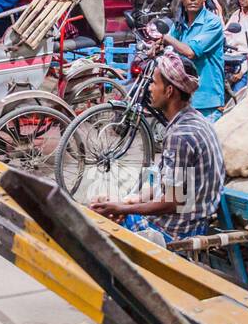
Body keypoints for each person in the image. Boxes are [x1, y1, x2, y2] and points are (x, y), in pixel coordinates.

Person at [89, 51, 224, 246]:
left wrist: (122, 208)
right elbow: (170, 183)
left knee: (97, 223)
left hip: (176, 230)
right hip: (187, 217)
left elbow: (171, 202)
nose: (150, 88)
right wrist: (130, 201)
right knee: (107, 207)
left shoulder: (182, 135)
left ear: (169, 91)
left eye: (154, 83)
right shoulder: (192, 121)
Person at [163, 0, 225, 117]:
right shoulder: (179, 24)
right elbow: (168, 45)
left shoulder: (212, 22)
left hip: (207, 101)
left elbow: (190, 52)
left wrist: (165, 37)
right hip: (184, 99)